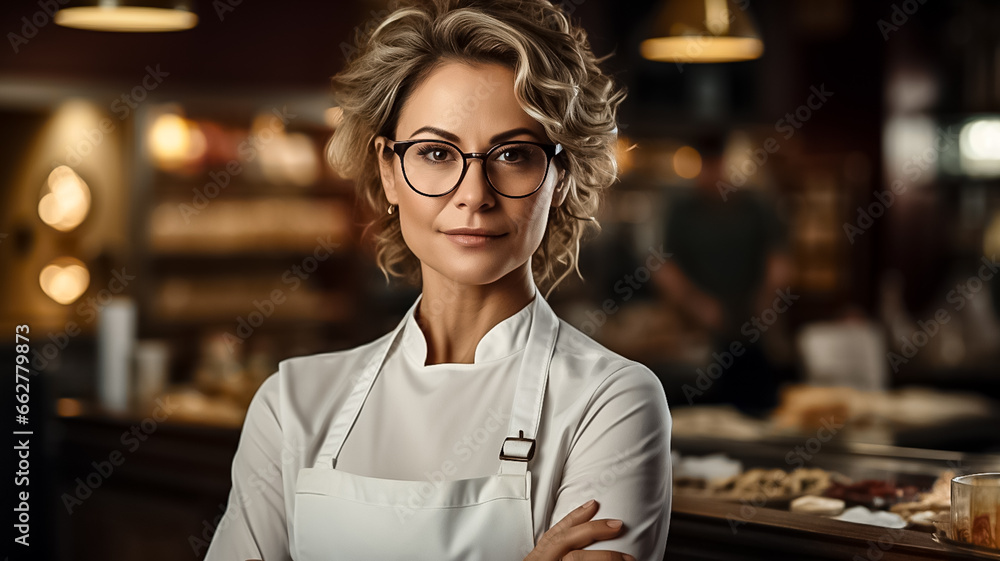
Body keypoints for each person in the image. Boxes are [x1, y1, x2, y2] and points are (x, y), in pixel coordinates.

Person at [203, 1, 672, 560]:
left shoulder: (611, 402)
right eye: (434, 153)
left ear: (561, 176)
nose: (474, 193)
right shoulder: (291, 406)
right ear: (388, 170)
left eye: (514, 154)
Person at [653, 135, 792, 413]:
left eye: (719, 165)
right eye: (707, 166)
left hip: (755, 330)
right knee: (707, 415)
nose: (713, 173)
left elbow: (779, 263)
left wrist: (767, 302)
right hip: (703, 335)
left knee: (760, 412)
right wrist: (697, 305)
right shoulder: (683, 210)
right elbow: (663, 268)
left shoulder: (755, 206)